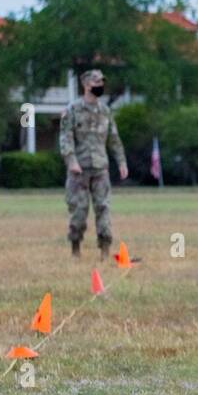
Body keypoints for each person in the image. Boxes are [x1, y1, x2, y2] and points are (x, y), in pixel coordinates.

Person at [59, 69, 128, 259]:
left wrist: (121, 162)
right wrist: (71, 161)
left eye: (101, 83)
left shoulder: (105, 111)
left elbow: (114, 139)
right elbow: (65, 139)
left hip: (100, 168)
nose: (100, 86)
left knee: (103, 208)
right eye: (96, 83)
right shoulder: (72, 110)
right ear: (86, 85)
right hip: (79, 170)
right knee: (78, 211)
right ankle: (75, 249)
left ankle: (105, 250)